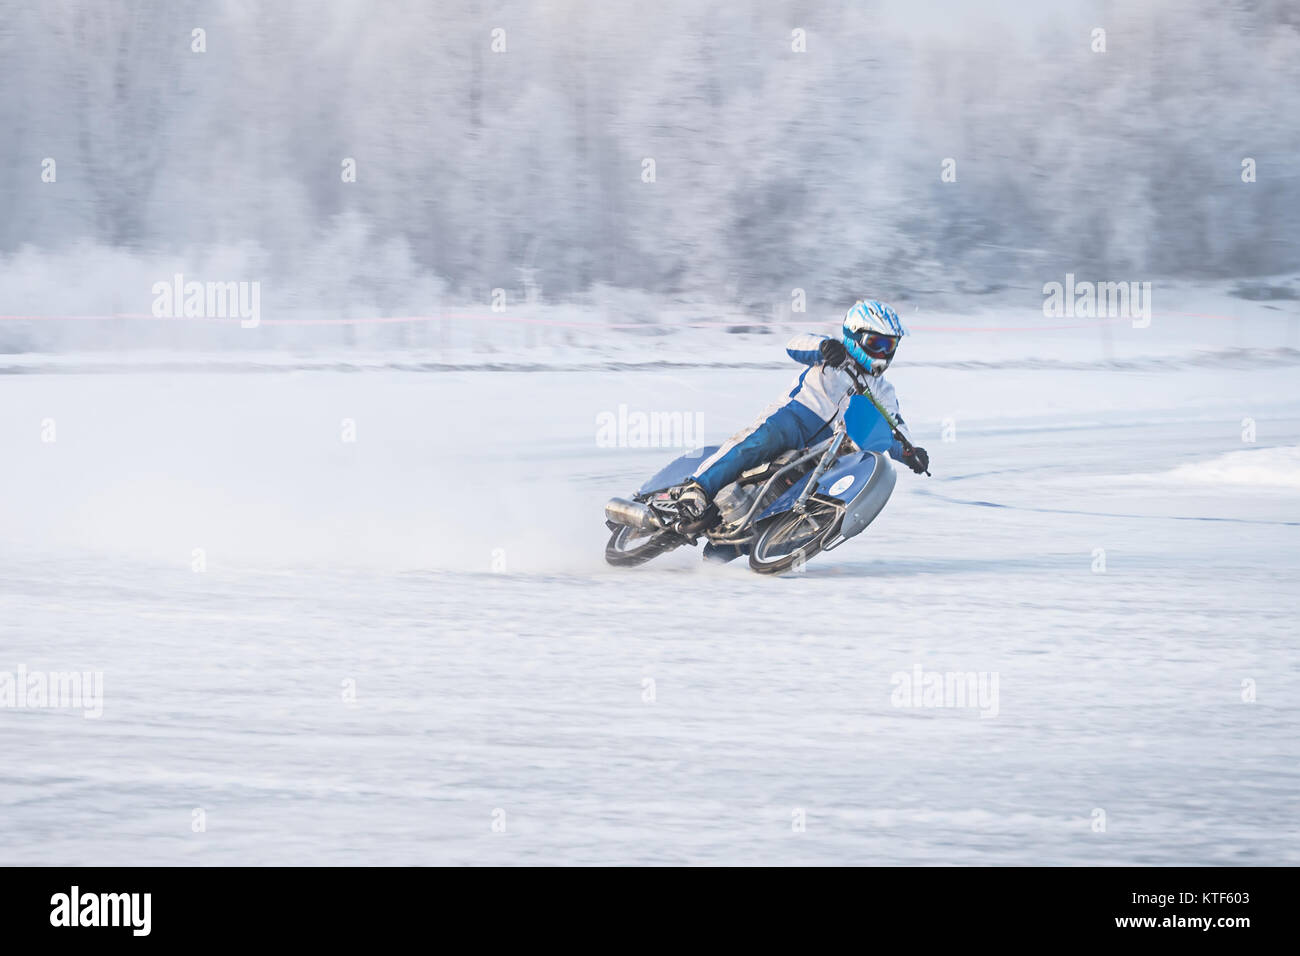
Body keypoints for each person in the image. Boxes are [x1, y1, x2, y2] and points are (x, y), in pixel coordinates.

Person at [675, 299, 929, 525]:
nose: (883, 353)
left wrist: (912, 452)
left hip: (826, 448)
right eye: (876, 343)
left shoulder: (883, 390)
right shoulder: (833, 354)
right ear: (854, 335)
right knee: (759, 442)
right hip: (794, 418)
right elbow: (795, 344)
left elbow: (893, 425)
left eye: (890, 345)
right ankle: (697, 488)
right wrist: (824, 347)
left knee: (799, 502)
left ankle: (736, 548)